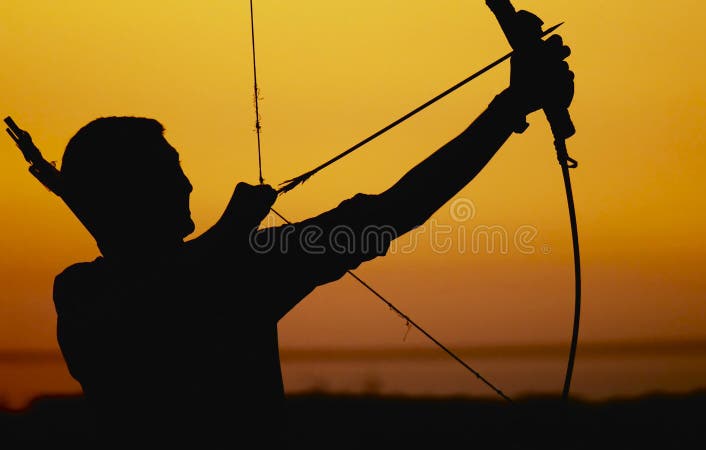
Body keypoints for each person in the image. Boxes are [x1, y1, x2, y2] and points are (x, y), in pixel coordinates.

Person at [51, 21, 574, 447]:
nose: (187, 183)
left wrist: (508, 110)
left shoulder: (239, 267)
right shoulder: (84, 292)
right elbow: (157, 306)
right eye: (168, 172)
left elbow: (391, 211)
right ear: (130, 192)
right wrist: (232, 232)